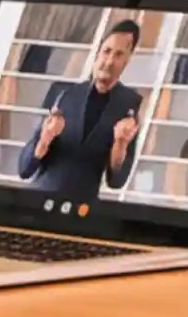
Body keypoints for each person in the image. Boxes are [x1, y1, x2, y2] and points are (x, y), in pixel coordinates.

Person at [16, 20, 144, 200]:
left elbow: (116, 181)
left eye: (119, 55)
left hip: (81, 210)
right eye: (106, 51)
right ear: (97, 53)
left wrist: (120, 143)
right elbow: (24, 169)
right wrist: (45, 139)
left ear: (127, 60)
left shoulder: (129, 104)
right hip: (39, 201)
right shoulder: (63, 93)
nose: (109, 62)